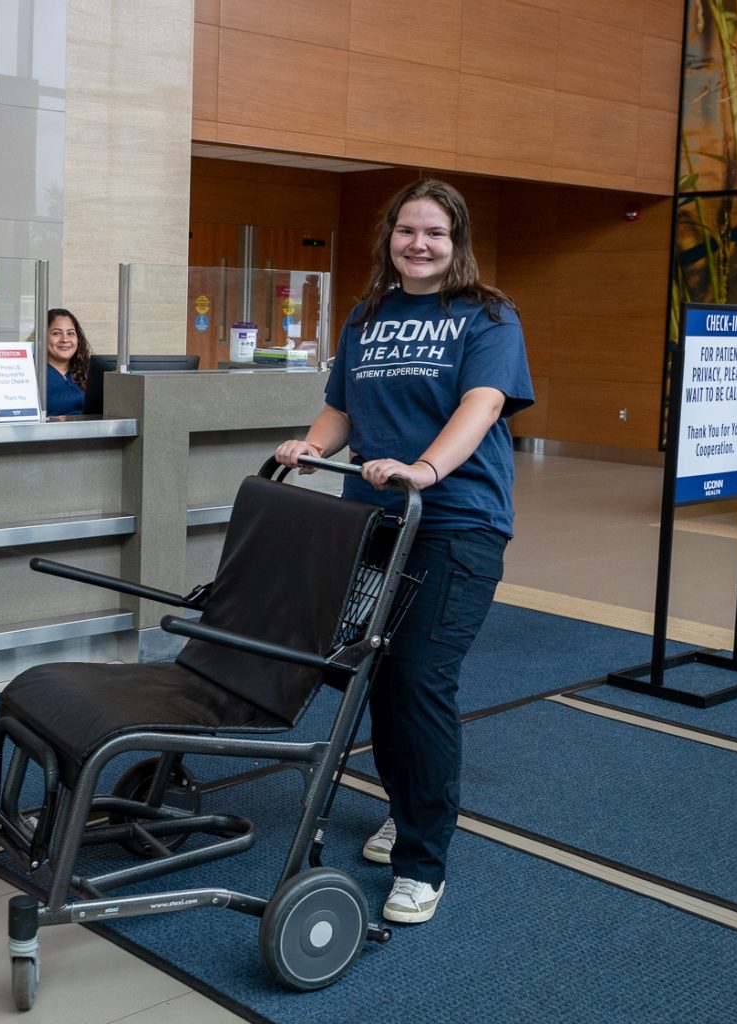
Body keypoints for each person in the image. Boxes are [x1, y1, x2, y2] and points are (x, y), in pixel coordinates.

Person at [275, 179, 534, 925]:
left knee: (421, 678)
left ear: (458, 242)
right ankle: (406, 803)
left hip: (456, 520)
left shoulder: (488, 314)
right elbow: (344, 405)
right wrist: (312, 444)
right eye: (406, 232)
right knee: (379, 677)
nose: (419, 245)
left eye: (435, 234)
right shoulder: (368, 314)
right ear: (389, 238)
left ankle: (426, 858)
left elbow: (480, 405)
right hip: (375, 523)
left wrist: (425, 469)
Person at [45, 307, 91, 416]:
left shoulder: (88, 371)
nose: (65, 339)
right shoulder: (32, 373)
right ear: (43, 337)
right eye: (56, 333)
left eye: (70, 333)